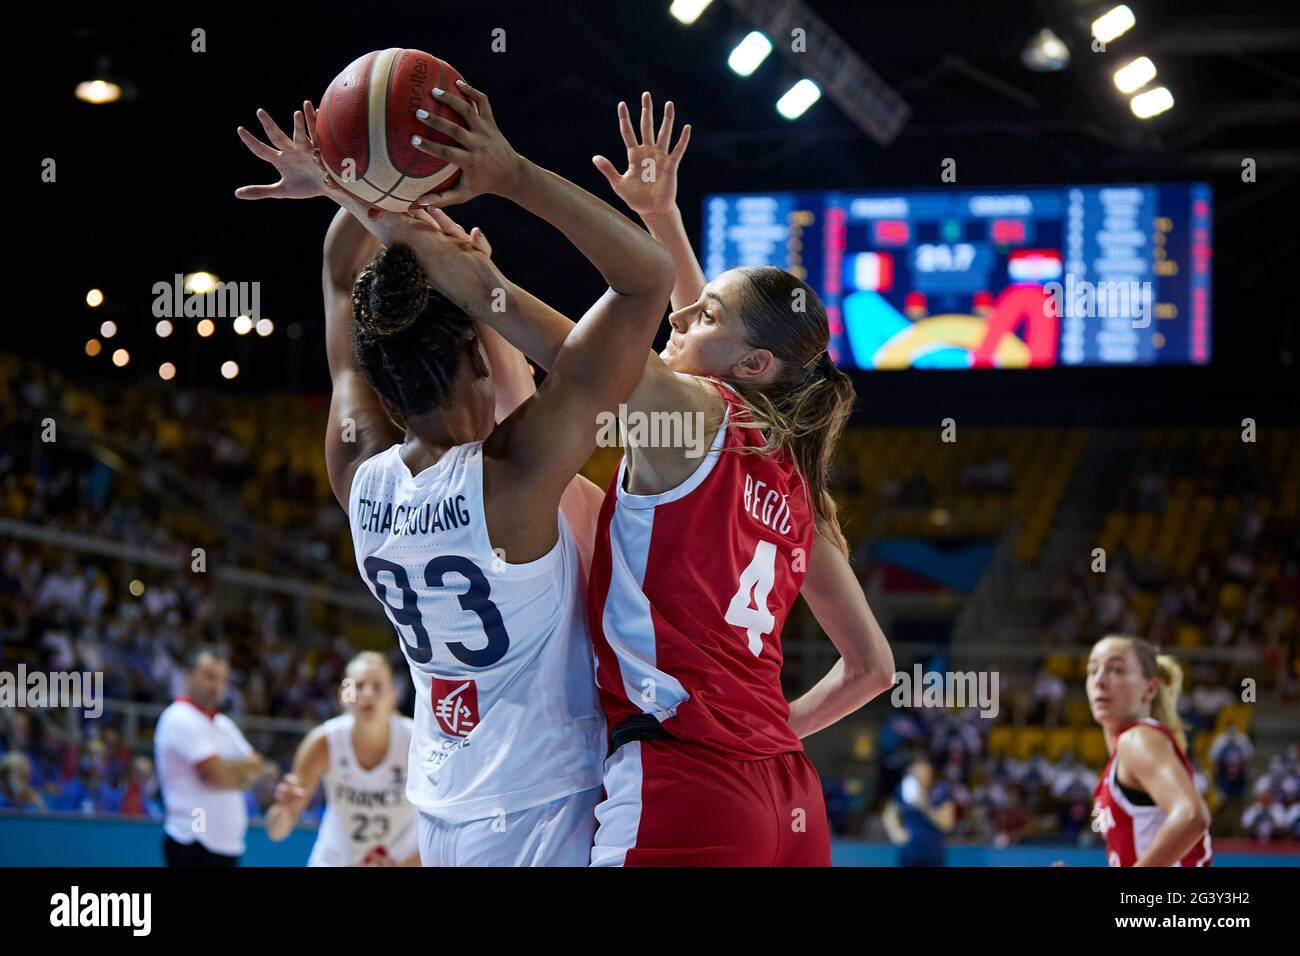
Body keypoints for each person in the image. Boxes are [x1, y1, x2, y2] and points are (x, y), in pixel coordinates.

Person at [409, 91, 896, 865]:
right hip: (787, 798)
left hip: (687, 782)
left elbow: (579, 349)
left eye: (703, 317)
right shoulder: (803, 487)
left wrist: (475, 261)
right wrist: (661, 218)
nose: (679, 318)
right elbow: (873, 670)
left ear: (754, 364)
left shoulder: (696, 419)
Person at [235, 82, 673, 865]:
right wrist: (506, 178)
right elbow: (646, 279)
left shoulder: (357, 467)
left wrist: (356, 183)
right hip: (544, 803)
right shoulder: (518, 473)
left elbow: (342, 284)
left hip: (440, 801)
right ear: (479, 348)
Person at [265, 652, 419, 866]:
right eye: (359, 685)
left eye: (377, 686)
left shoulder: (416, 741)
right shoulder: (323, 742)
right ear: (344, 694)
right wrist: (284, 810)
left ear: (393, 695)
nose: (367, 694)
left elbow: (441, 826)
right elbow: (276, 833)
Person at [1087, 634, 1212, 866]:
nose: (1099, 680)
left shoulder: (1137, 739)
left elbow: (1192, 816)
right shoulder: (1124, 755)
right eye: (1093, 670)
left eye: (1116, 670)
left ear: (1150, 688)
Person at [154, 646, 276, 866]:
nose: (216, 686)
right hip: (192, 844)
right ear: (188, 676)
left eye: (222, 679)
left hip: (226, 846)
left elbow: (259, 768)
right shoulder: (179, 717)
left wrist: (230, 769)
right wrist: (238, 772)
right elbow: (215, 774)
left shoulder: (223, 724)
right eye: (209, 677)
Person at [882, 758, 954, 866]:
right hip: (910, 849)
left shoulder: (940, 790)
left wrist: (926, 807)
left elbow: (948, 823)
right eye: (919, 773)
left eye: (926, 772)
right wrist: (896, 833)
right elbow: (889, 815)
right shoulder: (903, 790)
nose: (923, 776)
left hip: (933, 850)